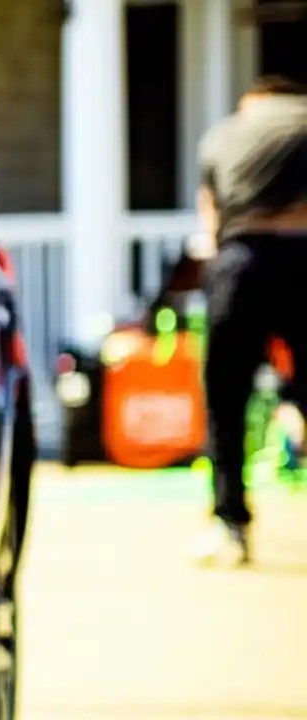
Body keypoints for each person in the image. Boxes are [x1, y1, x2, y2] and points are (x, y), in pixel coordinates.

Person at [194, 75, 307, 565]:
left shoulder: (224, 133)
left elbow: (209, 219)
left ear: (252, 102)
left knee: (226, 396)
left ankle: (230, 525)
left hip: (241, 259)